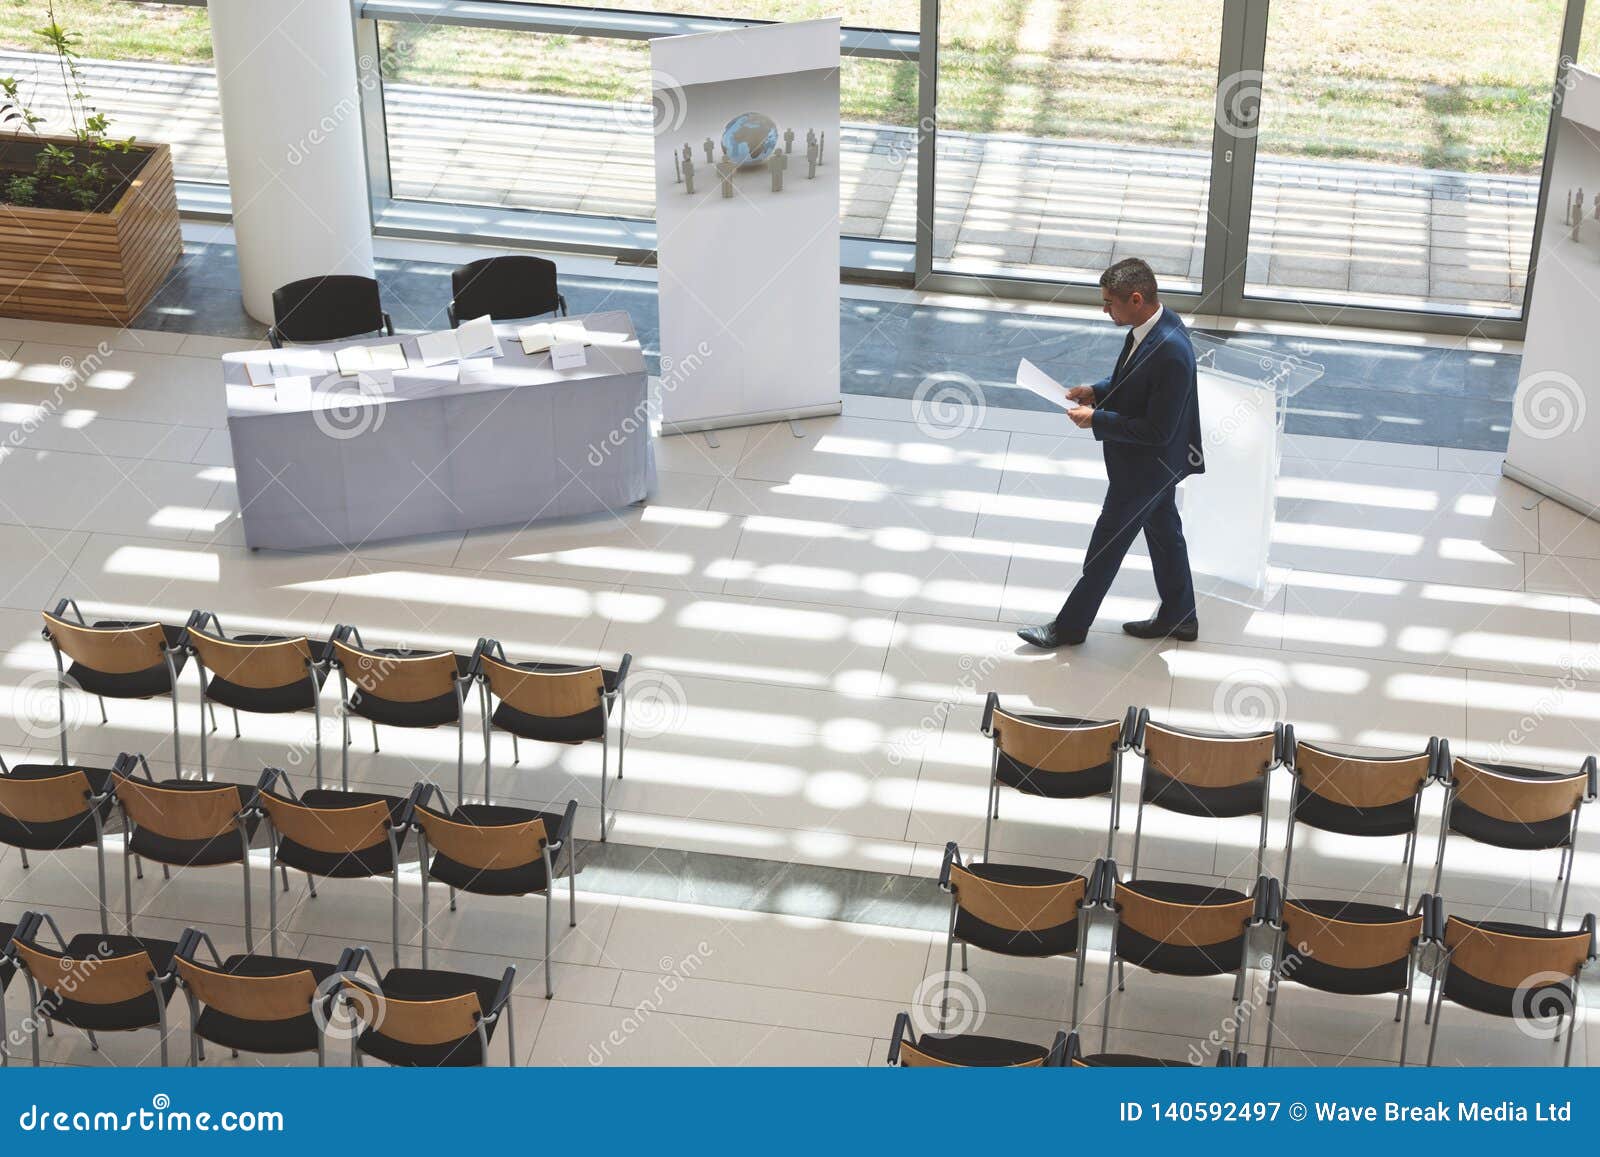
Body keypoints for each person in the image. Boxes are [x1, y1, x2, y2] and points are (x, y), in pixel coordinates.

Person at [1017, 258, 1204, 649]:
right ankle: (1180, 616)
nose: (1105, 310)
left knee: (1106, 547)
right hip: (1157, 468)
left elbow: (1158, 429)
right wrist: (1098, 391)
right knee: (1166, 536)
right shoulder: (1152, 326)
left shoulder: (1171, 351)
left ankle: (1070, 628)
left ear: (1135, 299)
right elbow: (1134, 381)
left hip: (1145, 470)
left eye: (1109, 303)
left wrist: (1097, 419)